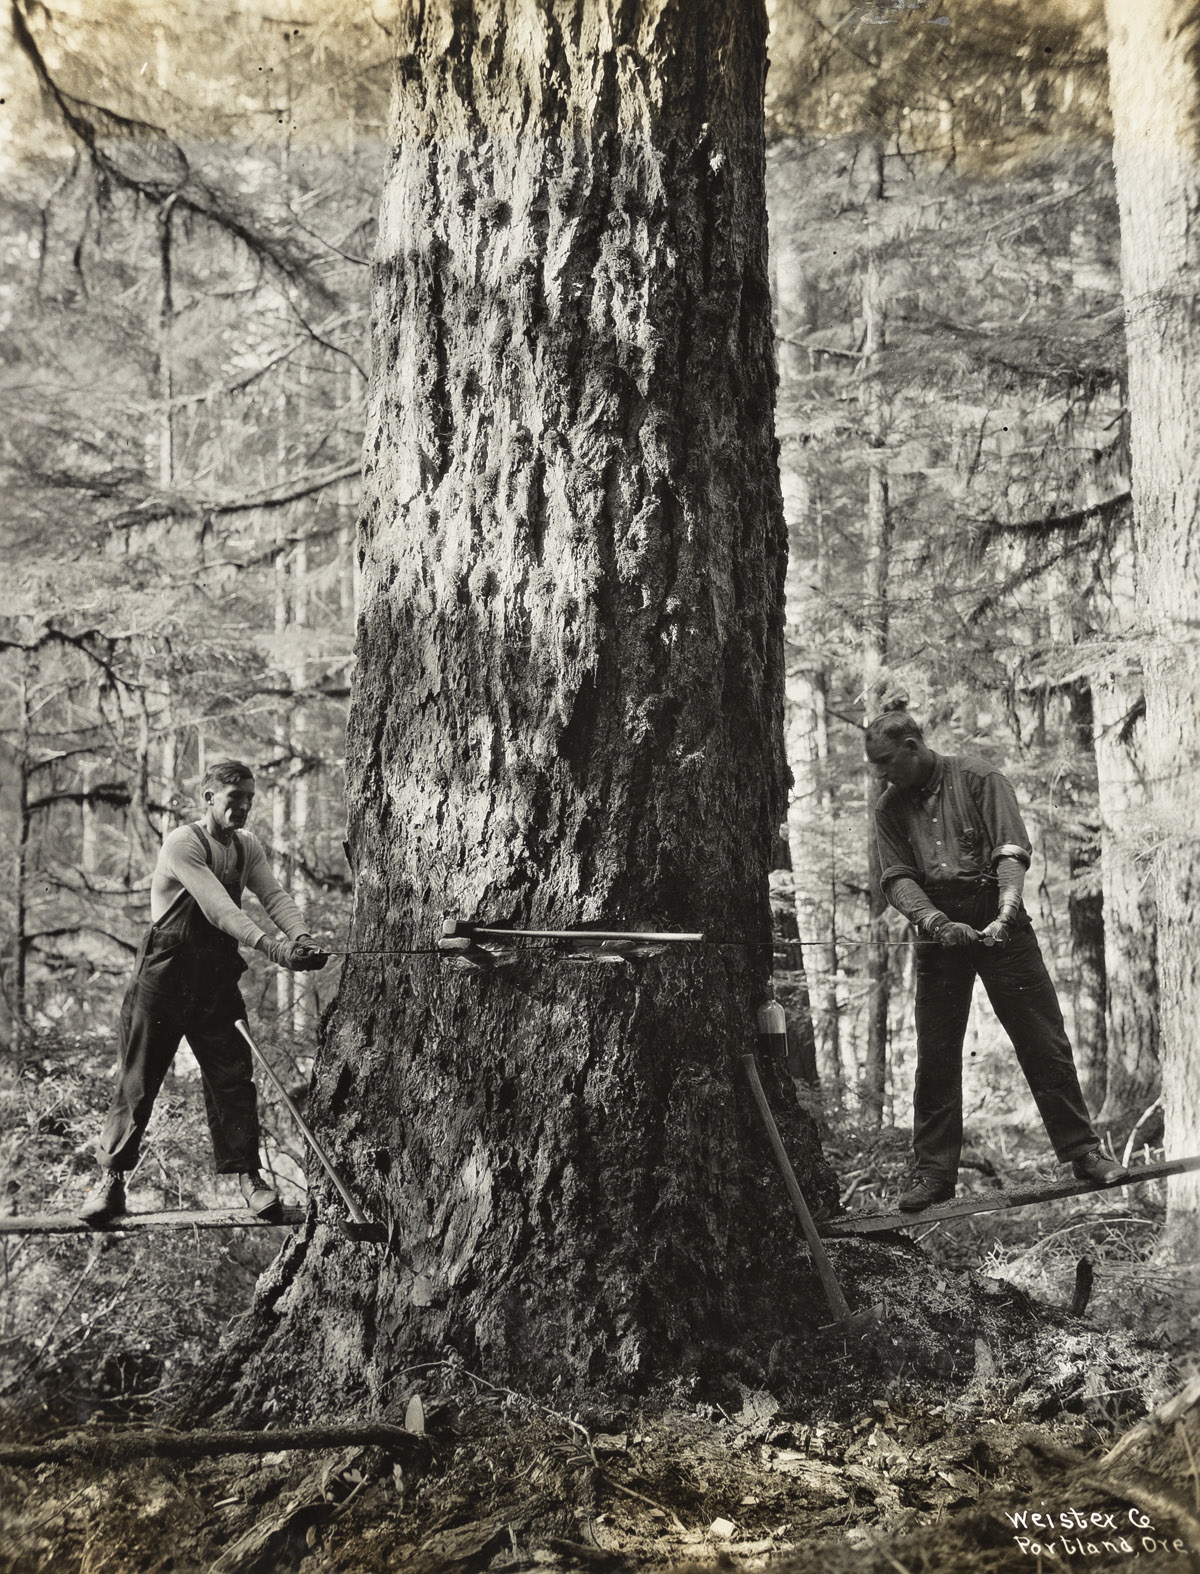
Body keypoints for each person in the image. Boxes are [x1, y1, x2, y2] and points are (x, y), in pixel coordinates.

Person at [865, 705, 1126, 1212]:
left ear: (913, 747)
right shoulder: (888, 807)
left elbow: (1010, 851)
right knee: (936, 1056)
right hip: (938, 929)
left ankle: (1084, 1152)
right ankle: (933, 1175)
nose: (880, 773)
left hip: (1001, 918)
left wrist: (1005, 911)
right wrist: (938, 924)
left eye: (885, 761)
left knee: (1043, 1039)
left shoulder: (980, 778)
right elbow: (897, 877)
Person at [79, 759, 329, 1225]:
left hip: (213, 983)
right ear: (209, 798)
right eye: (235, 799)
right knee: (138, 1081)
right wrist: (273, 948)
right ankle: (110, 1182)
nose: (244, 808)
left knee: (234, 1078)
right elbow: (217, 907)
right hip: (163, 978)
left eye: (250, 799)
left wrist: (300, 937)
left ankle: (249, 1179)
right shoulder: (183, 843)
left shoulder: (246, 847)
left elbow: (273, 896)